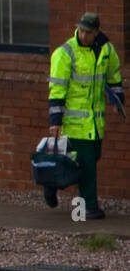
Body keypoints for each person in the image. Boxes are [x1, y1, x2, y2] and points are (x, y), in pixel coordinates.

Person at [45, 12, 122, 218]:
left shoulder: (106, 50)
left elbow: (114, 74)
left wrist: (118, 97)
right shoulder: (65, 53)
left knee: (87, 159)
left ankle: (52, 184)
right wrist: (56, 122)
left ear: (97, 32)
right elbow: (57, 91)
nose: (84, 35)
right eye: (81, 30)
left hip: (95, 122)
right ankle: (89, 207)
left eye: (88, 32)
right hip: (75, 122)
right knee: (87, 164)